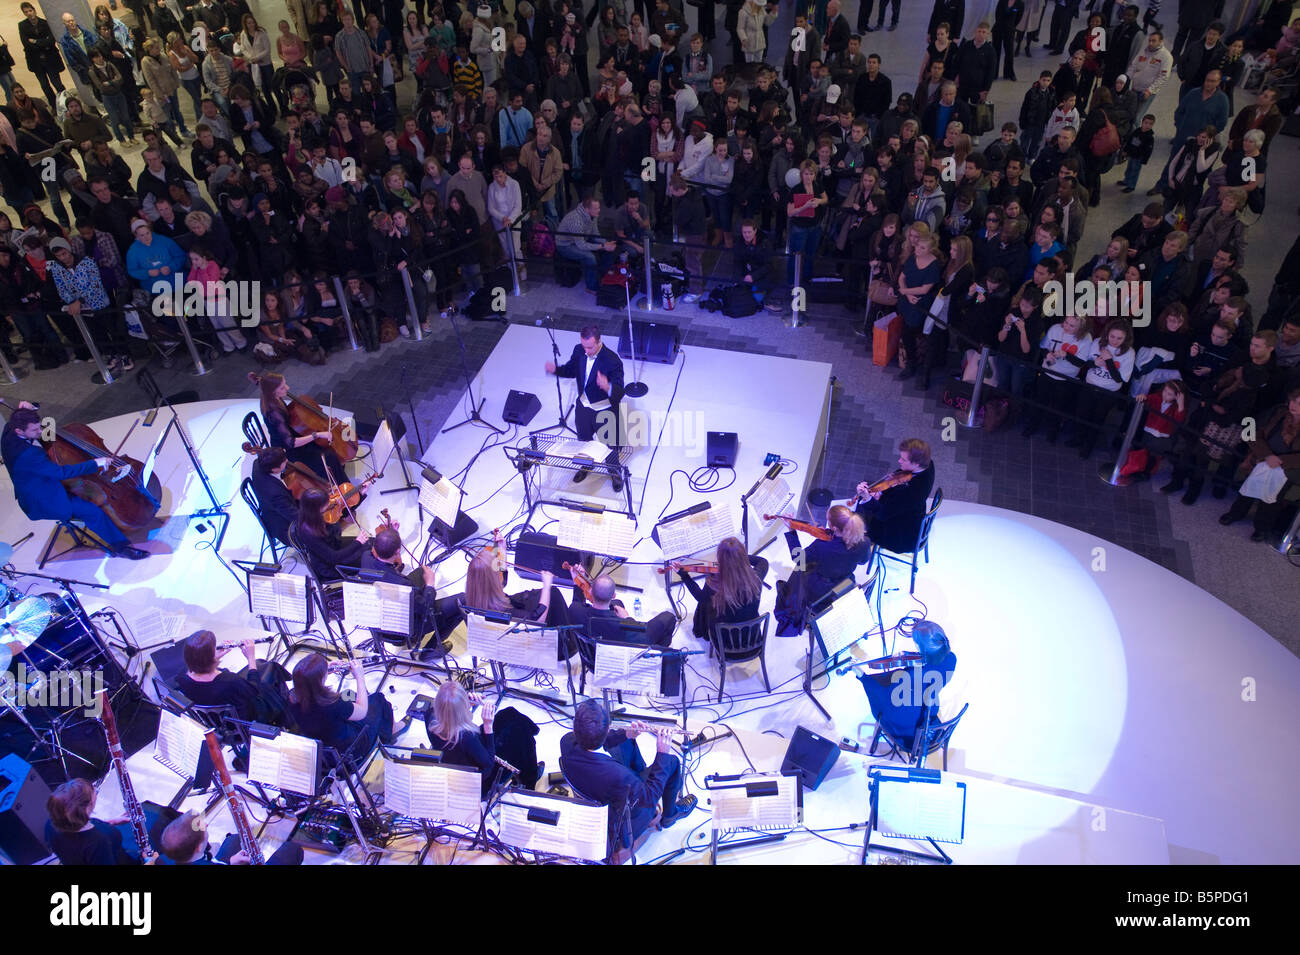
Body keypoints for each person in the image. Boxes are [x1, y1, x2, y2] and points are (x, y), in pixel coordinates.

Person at [2, 406, 148, 559]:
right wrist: (95, 463)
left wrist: (28, 409)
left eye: (39, 427)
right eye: (34, 430)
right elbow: (61, 472)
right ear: (19, 431)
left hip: (37, 480)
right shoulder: (30, 454)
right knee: (92, 512)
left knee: (50, 429)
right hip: (43, 498)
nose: (40, 432)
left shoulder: (8, 430)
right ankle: (121, 548)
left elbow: (42, 430)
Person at [559, 699, 697, 854]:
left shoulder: (566, 741)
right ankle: (670, 816)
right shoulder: (620, 776)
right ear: (606, 731)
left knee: (626, 743)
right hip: (621, 821)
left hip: (594, 784)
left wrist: (626, 734)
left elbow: (601, 740)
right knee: (671, 762)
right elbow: (649, 798)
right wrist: (662, 753)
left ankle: (641, 772)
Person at [544, 324, 626, 491]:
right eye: (584, 346)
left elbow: (619, 393)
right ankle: (585, 466)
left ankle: (614, 472)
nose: (586, 351)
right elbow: (571, 370)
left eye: (589, 347)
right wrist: (556, 370)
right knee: (584, 441)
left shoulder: (612, 360)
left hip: (604, 410)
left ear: (598, 342)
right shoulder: (579, 350)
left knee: (610, 445)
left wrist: (607, 386)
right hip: (583, 406)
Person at [360, 525, 462, 653]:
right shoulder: (402, 584)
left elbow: (380, 549)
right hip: (403, 626)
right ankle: (430, 650)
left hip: (379, 617)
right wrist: (430, 585)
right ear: (398, 552)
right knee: (462, 601)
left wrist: (393, 533)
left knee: (420, 571)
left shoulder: (366, 557)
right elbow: (425, 608)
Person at [774, 504, 873, 634]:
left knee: (799, 574)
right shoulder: (864, 541)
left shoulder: (822, 547)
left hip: (822, 592)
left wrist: (791, 532)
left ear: (835, 528)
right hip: (846, 582)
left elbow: (798, 559)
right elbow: (862, 561)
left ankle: (809, 611)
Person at [857, 620, 957, 746]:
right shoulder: (952, 658)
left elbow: (880, 690)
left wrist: (862, 676)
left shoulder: (910, 675)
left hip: (909, 728)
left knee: (882, 698)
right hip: (929, 711)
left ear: (922, 647)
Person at [1219, 388, 1300, 542]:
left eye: (1299, 403)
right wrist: (1267, 455)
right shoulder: (1279, 412)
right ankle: (1236, 513)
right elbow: (1255, 432)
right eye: (1293, 400)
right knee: (1249, 488)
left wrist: (1281, 461)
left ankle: (1262, 527)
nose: (1293, 405)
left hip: (1287, 468)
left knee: (1273, 498)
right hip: (1263, 458)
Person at [287, 651, 403, 757]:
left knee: (348, 694)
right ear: (319, 680)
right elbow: (362, 712)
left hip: (323, 746)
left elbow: (310, 683)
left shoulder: (292, 697)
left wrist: (325, 670)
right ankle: (393, 730)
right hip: (351, 748)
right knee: (378, 699)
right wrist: (360, 677)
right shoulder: (332, 704)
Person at [174, 628, 292, 726]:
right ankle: (286, 716)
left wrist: (213, 659)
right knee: (270, 672)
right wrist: (251, 657)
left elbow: (203, 674)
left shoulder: (182, 677)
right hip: (242, 723)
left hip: (217, 722)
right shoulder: (230, 681)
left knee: (263, 665)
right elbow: (254, 690)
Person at [248, 370, 346, 485]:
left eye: (285, 384)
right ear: (273, 391)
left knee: (326, 448)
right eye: (282, 387)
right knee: (328, 455)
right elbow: (291, 443)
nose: (287, 388)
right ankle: (344, 489)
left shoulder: (270, 395)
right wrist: (317, 435)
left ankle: (336, 473)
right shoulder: (273, 412)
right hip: (287, 448)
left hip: (289, 434)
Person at [670, 536, 767, 640]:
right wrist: (737, 557)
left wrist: (684, 575)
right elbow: (763, 561)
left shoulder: (714, 585)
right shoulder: (757, 577)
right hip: (752, 637)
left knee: (705, 606)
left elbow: (699, 597)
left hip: (725, 642)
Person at [855, 438, 938, 553]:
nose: (899, 461)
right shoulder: (928, 465)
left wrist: (868, 498)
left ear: (916, 464)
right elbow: (897, 499)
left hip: (900, 537)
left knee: (859, 515)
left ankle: (858, 548)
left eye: (903, 460)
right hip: (911, 515)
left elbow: (882, 515)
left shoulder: (911, 492)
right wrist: (880, 492)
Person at [44, 778, 148, 866]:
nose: (96, 792)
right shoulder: (99, 841)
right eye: (95, 792)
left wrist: (109, 822)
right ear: (87, 807)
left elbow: (78, 835)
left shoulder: (51, 824)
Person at [158, 809, 304, 865]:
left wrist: (230, 862)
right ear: (198, 847)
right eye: (202, 828)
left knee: (234, 840)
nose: (206, 825)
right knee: (292, 850)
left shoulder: (162, 860)